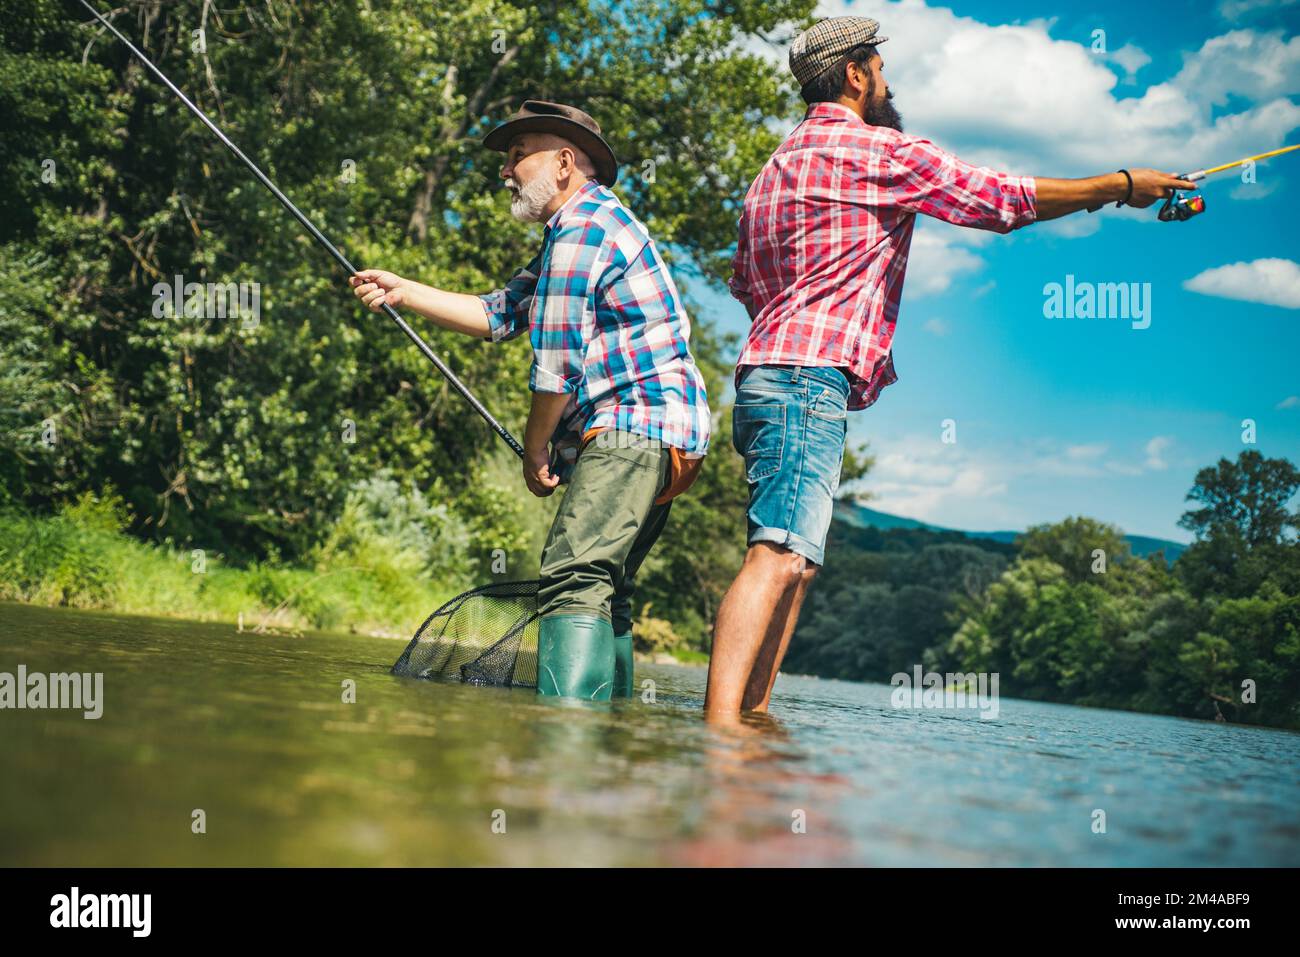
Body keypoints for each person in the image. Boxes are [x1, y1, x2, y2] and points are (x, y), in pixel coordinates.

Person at [706, 16, 1198, 717]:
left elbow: (745, 283)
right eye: (878, 67)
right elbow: (1000, 200)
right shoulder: (878, 150)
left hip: (763, 378)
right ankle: (720, 735)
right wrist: (1120, 184)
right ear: (854, 75)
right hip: (807, 379)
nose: (886, 79)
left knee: (798, 563)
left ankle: (747, 728)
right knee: (778, 555)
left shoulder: (772, 170)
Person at [351, 100, 711, 701]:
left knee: (573, 579)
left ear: (565, 162)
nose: (506, 170)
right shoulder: (579, 231)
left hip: (631, 429)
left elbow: (557, 362)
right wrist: (404, 291)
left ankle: (561, 751)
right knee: (606, 589)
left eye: (519, 155)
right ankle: (607, 741)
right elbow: (499, 314)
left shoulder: (582, 231)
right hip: (662, 435)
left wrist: (536, 446)